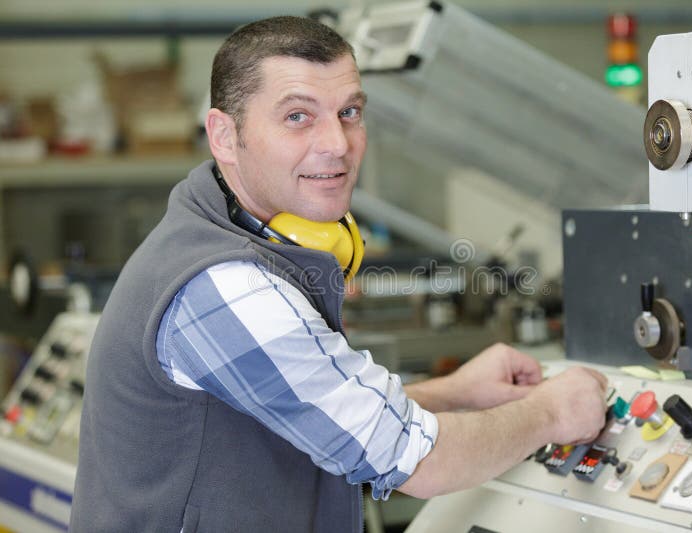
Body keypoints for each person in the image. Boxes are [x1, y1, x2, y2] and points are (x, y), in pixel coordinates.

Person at [70, 16, 608, 533]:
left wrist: (458, 392)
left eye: (349, 112)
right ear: (225, 137)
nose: (338, 144)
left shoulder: (220, 234)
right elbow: (417, 459)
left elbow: (318, 408)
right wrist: (554, 413)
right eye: (298, 116)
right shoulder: (224, 285)